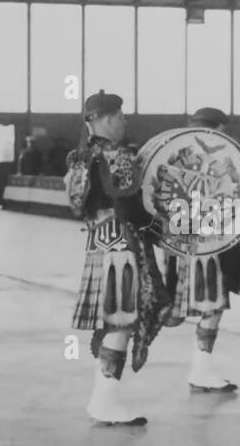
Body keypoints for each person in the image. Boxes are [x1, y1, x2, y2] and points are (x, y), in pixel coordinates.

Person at [64, 90, 170, 426]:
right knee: (122, 323)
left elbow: (79, 205)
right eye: (122, 117)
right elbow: (132, 209)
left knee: (113, 323)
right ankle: (105, 401)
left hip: (99, 243)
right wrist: (160, 230)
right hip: (122, 248)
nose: (125, 123)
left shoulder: (81, 156)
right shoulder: (115, 155)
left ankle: (102, 398)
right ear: (108, 119)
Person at [160, 107, 239, 393]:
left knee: (179, 305)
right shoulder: (216, 158)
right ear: (215, 129)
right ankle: (201, 369)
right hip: (204, 244)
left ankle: (200, 369)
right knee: (213, 305)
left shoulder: (172, 153)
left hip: (176, 242)